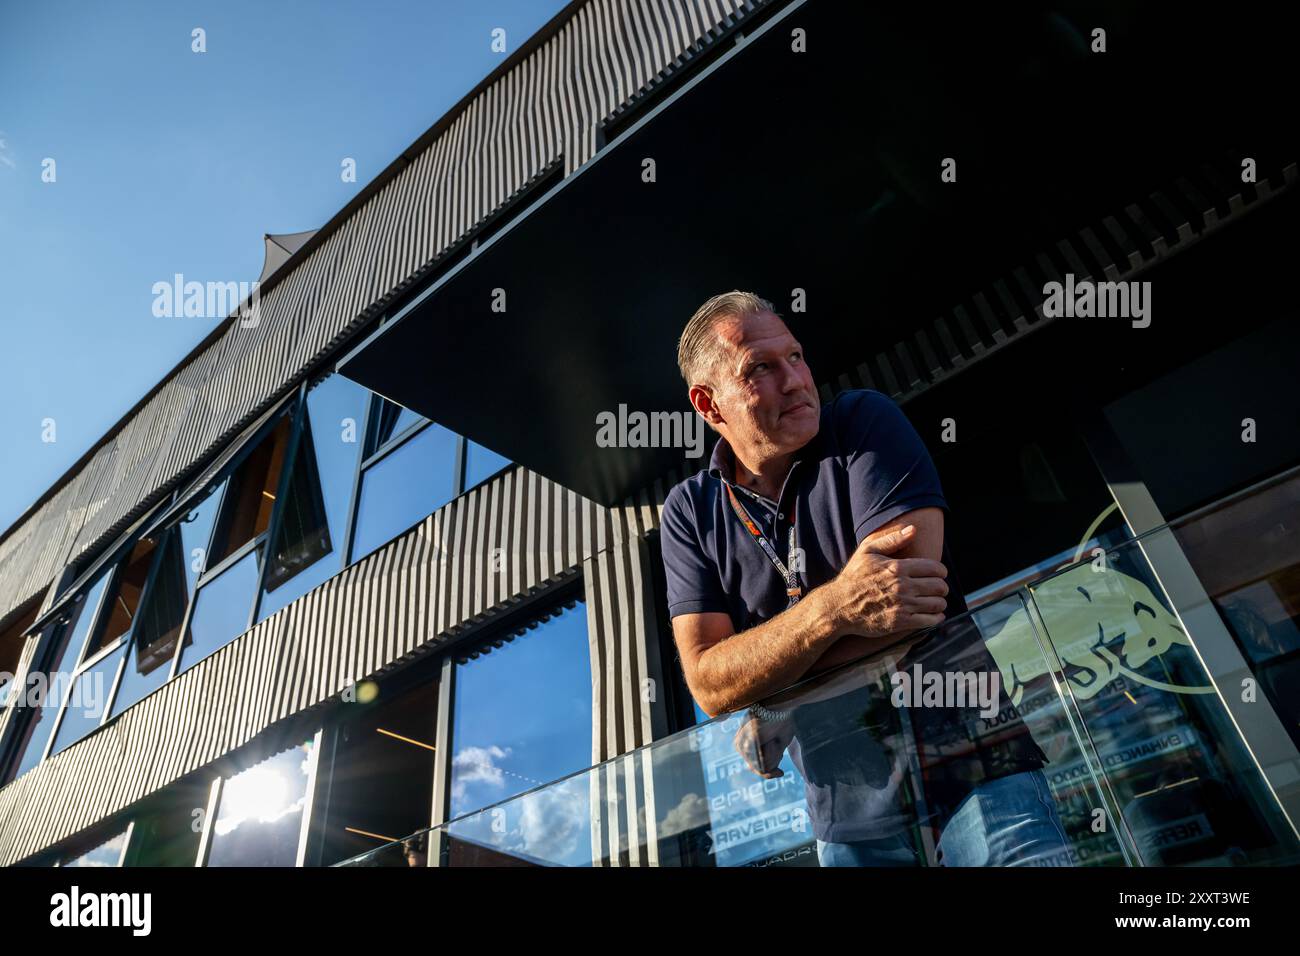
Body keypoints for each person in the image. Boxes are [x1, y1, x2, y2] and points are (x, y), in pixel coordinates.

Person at [660, 290, 1071, 866]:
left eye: (797, 356)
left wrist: (773, 696)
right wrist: (836, 609)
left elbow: (908, 609)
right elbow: (709, 684)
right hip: (844, 810)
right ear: (708, 405)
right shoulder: (689, 510)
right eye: (761, 368)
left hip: (976, 760)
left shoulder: (862, 421)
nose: (798, 380)